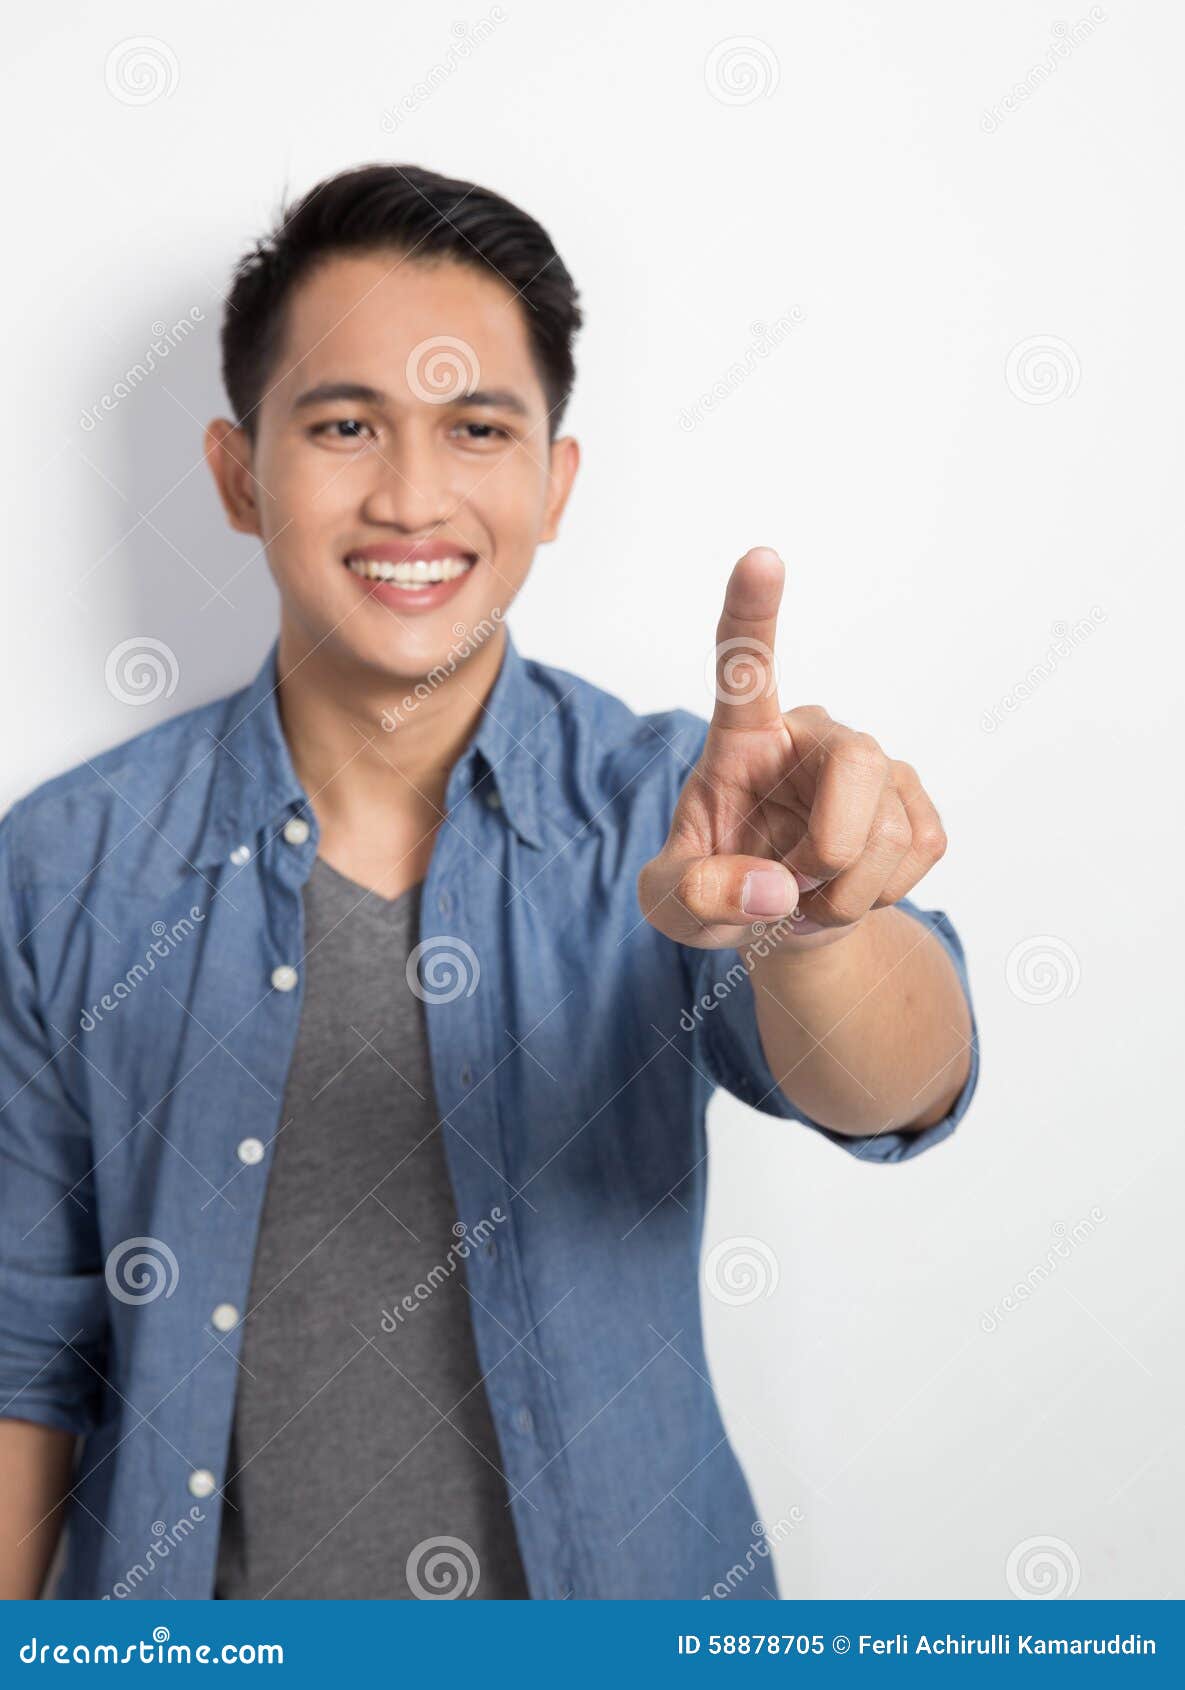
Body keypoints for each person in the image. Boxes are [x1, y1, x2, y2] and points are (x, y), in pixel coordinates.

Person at [0, 163, 979, 1602]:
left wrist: (818, 924)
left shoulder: (673, 815)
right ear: (235, 470)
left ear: (551, 482)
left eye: (475, 429)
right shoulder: (65, 865)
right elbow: (25, 1353)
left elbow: (902, 1088)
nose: (410, 496)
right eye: (343, 425)